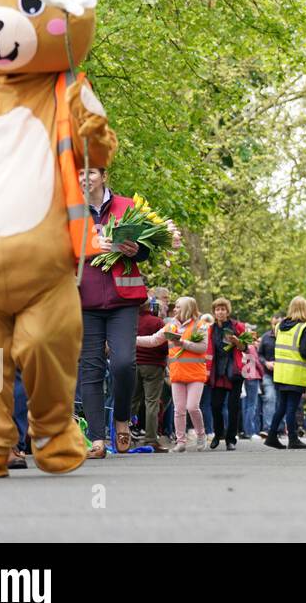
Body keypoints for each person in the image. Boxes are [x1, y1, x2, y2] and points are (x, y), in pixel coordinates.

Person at [76, 166, 149, 458]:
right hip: (84, 300)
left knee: (123, 364)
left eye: (91, 172)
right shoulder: (69, 210)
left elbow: (147, 248)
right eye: (80, 172)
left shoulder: (127, 206)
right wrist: (91, 246)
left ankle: (120, 417)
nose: (84, 178)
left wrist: (136, 249)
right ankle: (96, 439)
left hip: (123, 299)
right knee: (90, 368)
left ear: (104, 176)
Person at [266, 296, 306, 450]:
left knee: (282, 407)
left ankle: (271, 436)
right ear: (305, 309)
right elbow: (305, 352)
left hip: (281, 373)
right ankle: (293, 439)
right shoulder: (304, 327)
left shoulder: (279, 326)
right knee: (291, 408)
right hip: (295, 374)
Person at [166, 297, 211, 453]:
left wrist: (183, 343)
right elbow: (154, 339)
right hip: (177, 373)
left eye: (178, 307)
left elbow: (203, 348)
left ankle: (201, 435)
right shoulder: (170, 326)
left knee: (192, 407)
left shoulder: (201, 325)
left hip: (195, 374)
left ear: (186, 308)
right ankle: (181, 442)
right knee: (178, 410)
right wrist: (133, 340)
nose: (175, 309)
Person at [207, 297, 246, 451]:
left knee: (233, 406)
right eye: (217, 309)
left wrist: (237, 342)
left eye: (223, 309)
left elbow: (245, 348)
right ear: (214, 312)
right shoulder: (211, 329)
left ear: (228, 311)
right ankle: (218, 434)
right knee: (215, 405)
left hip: (234, 370)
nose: (220, 312)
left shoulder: (238, 327)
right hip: (218, 371)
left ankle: (231, 439)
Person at [133, 296, 170, 452]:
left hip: (133, 364)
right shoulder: (157, 323)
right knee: (152, 403)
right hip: (154, 366)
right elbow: (164, 347)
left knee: (132, 401)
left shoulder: (129, 322)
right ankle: (151, 439)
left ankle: (124, 435)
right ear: (150, 306)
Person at [241, 331, 264, 440]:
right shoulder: (251, 348)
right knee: (252, 405)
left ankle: (246, 430)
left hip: (245, 376)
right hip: (253, 376)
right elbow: (257, 362)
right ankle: (250, 431)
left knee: (246, 405)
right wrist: (263, 373)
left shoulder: (241, 348)